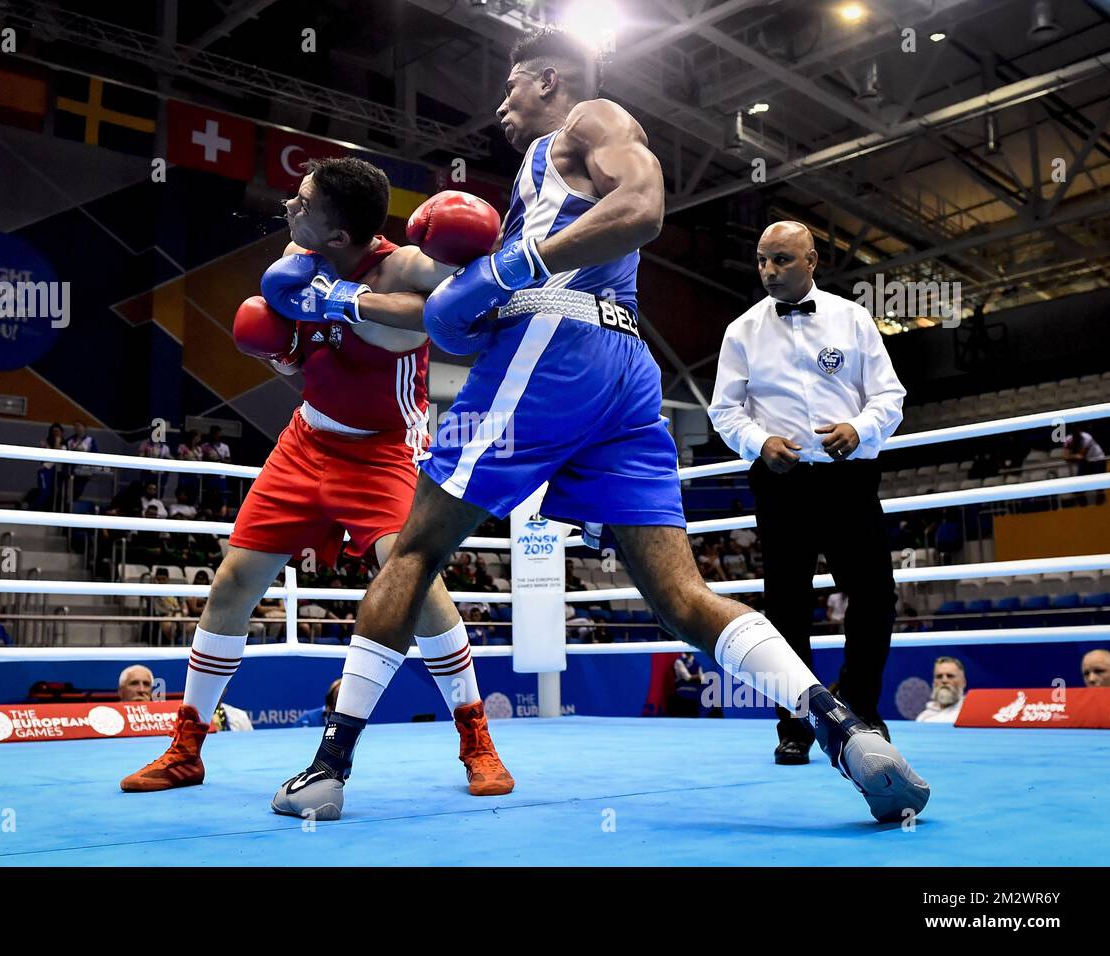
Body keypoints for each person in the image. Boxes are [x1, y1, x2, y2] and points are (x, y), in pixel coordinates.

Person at [269, 29, 927, 825]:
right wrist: (361, 300)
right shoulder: (540, 182)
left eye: (511, 88)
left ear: (547, 80)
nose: (501, 106)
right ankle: (843, 726)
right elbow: (443, 312)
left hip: (554, 354)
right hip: (623, 373)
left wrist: (517, 268)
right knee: (682, 597)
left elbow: (644, 209)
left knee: (414, 549)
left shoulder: (589, 122)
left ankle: (328, 767)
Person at [121, 157, 514, 799]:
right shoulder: (300, 254)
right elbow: (308, 352)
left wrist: (346, 300)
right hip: (306, 439)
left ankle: (478, 744)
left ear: (340, 235)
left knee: (414, 585)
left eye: (303, 203)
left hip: (385, 451)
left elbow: (454, 308)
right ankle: (186, 748)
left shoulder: (404, 266)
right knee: (234, 580)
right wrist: (284, 353)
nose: (289, 207)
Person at [708, 219, 906, 764]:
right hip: (781, 482)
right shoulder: (742, 330)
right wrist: (758, 440)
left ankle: (862, 711)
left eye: (782, 260)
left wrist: (860, 428)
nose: (768, 271)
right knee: (787, 606)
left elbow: (890, 396)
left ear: (812, 261)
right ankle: (795, 723)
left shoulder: (853, 317)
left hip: (849, 479)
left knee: (874, 596)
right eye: (762, 260)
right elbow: (723, 410)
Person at [915, 656, 967, 723]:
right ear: (934, 682)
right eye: (939, 676)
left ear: (963, 682)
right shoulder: (923, 718)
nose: (944, 680)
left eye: (950, 676)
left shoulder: (970, 713)